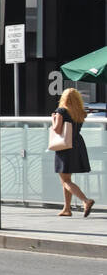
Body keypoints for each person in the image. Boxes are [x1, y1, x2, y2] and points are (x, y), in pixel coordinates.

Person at [52, 88, 94, 217]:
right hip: (77, 145)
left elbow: (57, 130)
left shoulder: (61, 111)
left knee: (65, 180)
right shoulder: (80, 112)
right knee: (67, 178)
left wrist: (53, 118)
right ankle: (67, 209)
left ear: (64, 98)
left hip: (65, 146)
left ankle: (85, 201)